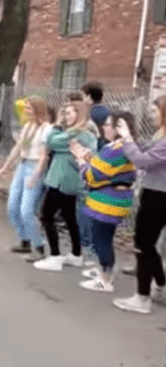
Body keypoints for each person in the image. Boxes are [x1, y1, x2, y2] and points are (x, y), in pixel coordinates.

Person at [70, 111, 137, 292]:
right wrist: (88, 158)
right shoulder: (121, 147)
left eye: (109, 125)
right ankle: (104, 269)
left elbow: (93, 176)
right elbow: (104, 169)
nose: (105, 128)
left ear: (118, 128)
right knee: (104, 236)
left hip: (107, 201)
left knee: (102, 239)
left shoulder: (116, 150)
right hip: (113, 199)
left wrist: (80, 161)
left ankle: (105, 278)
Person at [113, 95, 166, 314]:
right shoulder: (160, 135)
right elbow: (145, 155)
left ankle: (142, 297)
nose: (151, 115)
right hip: (154, 192)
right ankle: (161, 285)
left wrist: (127, 139)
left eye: (155, 112)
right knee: (148, 244)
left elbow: (143, 160)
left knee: (142, 244)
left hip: (159, 196)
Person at [31, 102, 97, 272]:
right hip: (70, 180)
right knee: (69, 215)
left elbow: (51, 142)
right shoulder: (81, 134)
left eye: (70, 113)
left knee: (46, 214)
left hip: (62, 180)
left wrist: (58, 125)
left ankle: (55, 256)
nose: (66, 116)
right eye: (65, 113)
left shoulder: (78, 134)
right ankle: (76, 254)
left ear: (80, 114)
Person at [0, 97, 52, 261]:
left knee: (26, 210)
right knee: (12, 207)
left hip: (34, 167)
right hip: (22, 165)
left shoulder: (46, 129)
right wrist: (5, 167)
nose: (26, 111)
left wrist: (35, 176)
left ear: (37, 109)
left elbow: (44, 156)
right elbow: (18, 148)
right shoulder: (27, 127)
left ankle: (39, 246)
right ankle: (24, 239)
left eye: (29, 108)